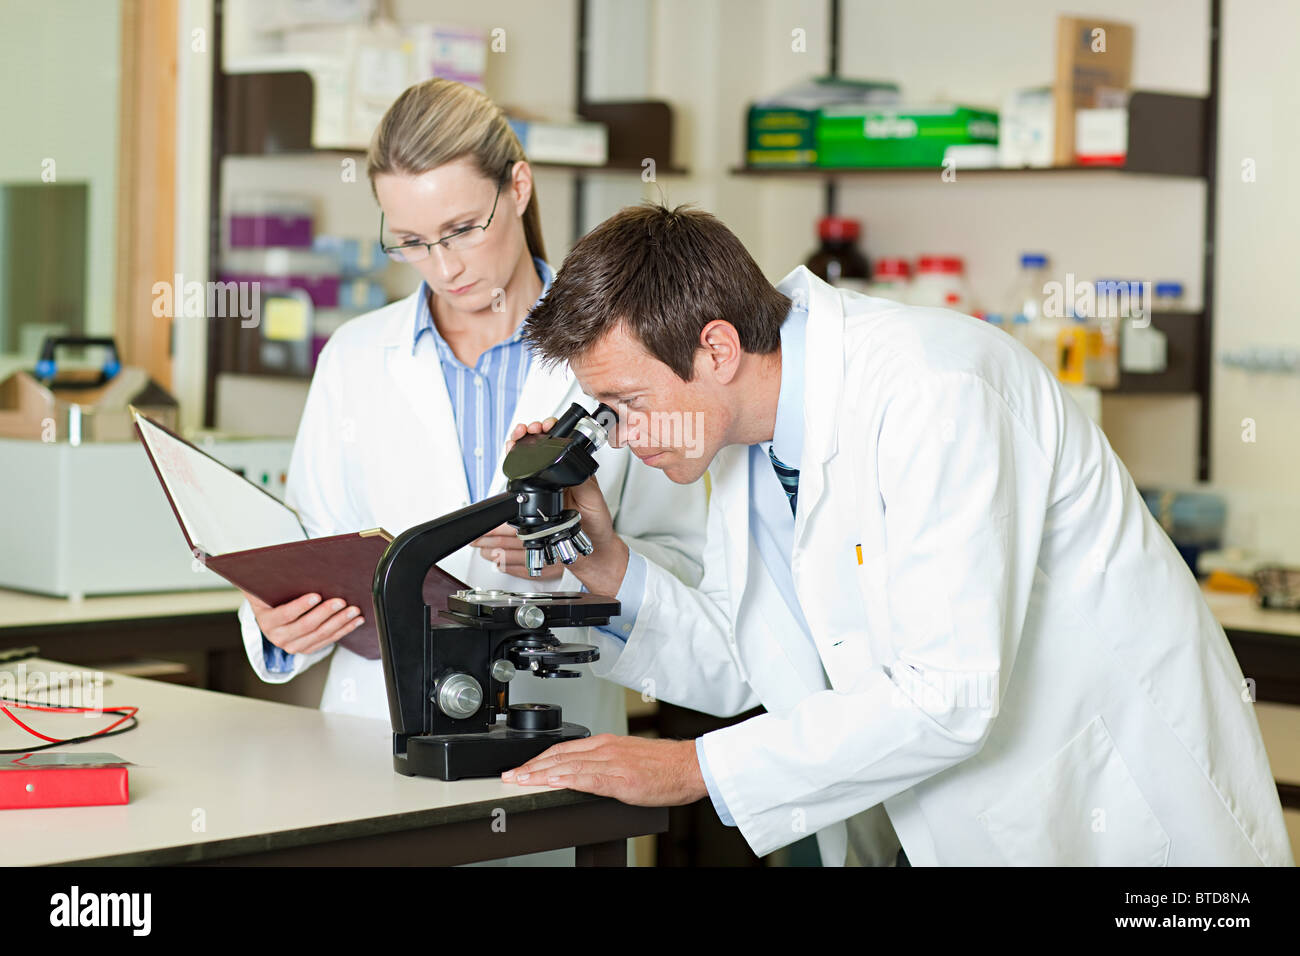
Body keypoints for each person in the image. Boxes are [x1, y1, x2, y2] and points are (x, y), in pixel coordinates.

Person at [502, 202, 1294, 867]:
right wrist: (606, 566)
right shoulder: (749, 439)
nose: (622, 435)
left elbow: (947, 694)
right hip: (949, 822)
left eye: (630, 403)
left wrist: (691, 769)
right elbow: (757, 661)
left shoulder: (935, 389)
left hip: (1119, 817)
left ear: (716, 347)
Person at [234, 85, 705, 760]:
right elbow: (314, 548)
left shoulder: (622, 351)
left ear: (518, 187)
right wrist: (277, 624)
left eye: (461, 230)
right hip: (377, 736)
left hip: (559, 735)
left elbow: (688, 567)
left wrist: (579, 565)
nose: (444, 266)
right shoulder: (354, 357)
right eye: (412, 242)